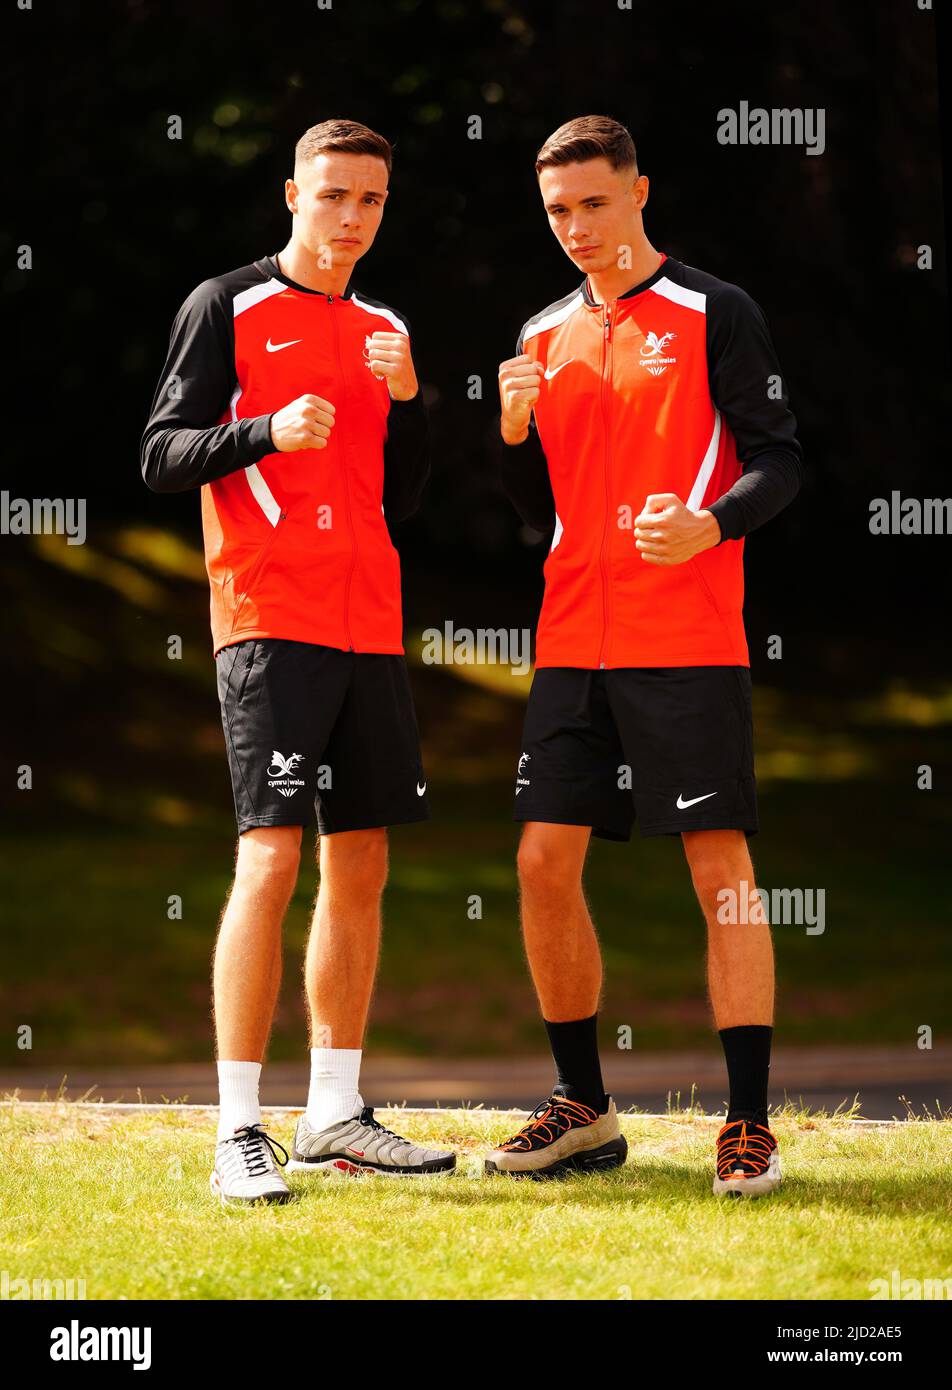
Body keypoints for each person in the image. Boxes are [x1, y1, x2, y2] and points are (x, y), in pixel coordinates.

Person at [141, 118, 455, 1204]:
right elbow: (160, 453)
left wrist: (412, 398)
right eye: (332, 196)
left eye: (370, 200)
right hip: (269, 617)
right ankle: (237, 1128)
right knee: (269, 861)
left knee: (358, 864)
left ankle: (334, 1110)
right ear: (291, 195)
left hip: (369, 622)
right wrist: (265, 431)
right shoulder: (224, 305)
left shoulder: (383, 324)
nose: (351, 218)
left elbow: (404, 493)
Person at [489, 115, 803, 1195]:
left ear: (638, 192)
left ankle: (748, 1121)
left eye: (592, 203)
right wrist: (515, 436)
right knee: (540, 862)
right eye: (556, 210)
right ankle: (584, 1105)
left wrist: (711, 524)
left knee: (719, 873)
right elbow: (543, 509)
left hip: (687, 635)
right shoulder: (537, 334)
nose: (575, 227)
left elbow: (779, 461)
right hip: (573, 636)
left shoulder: (716, 310)